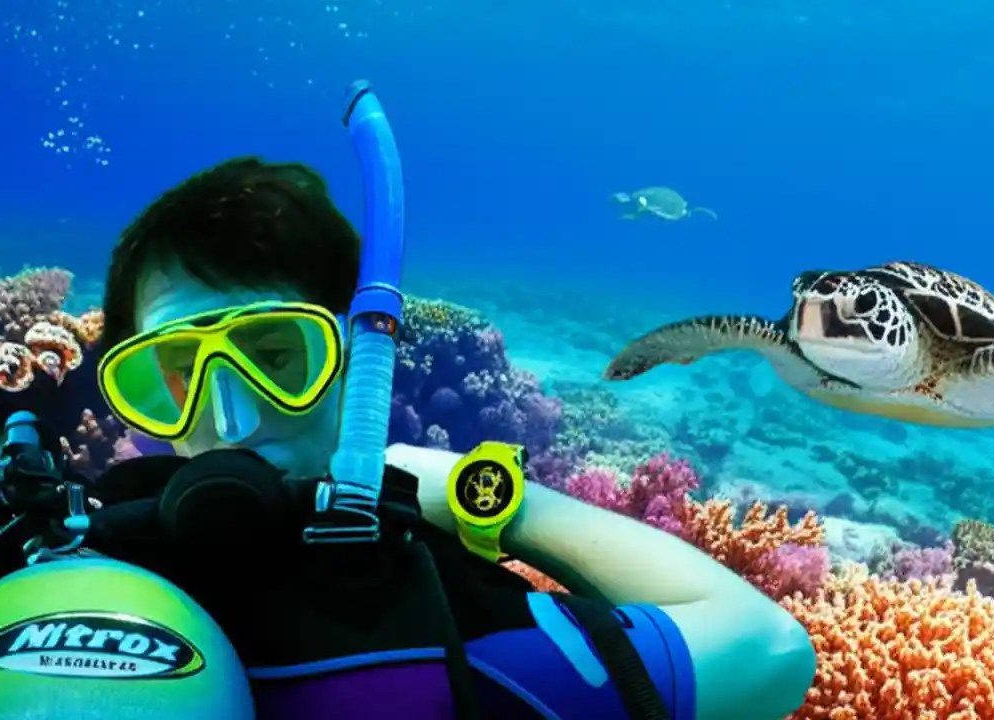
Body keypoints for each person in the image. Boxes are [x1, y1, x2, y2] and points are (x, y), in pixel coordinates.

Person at [91, 156, 816, 720]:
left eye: (279, 358)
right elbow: (766, 648)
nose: (234, 421)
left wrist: (481, 500)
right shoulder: (440, 623)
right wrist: (487, 502)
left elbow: (777, 651)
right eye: (179, 374)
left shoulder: (426, 595)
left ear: (359, 364)